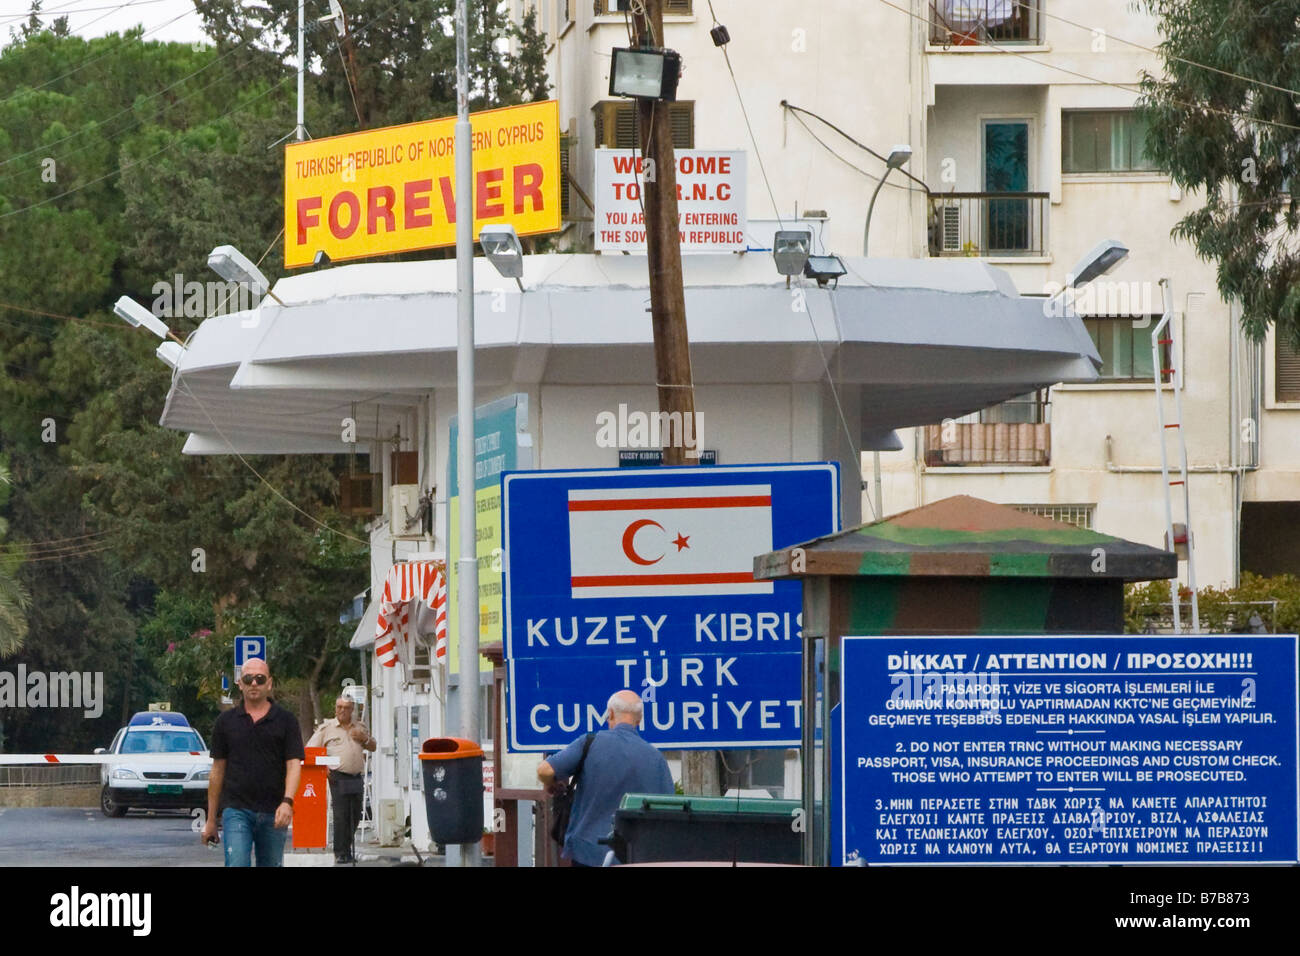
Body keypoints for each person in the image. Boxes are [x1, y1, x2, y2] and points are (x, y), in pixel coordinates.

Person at [537, 690, 673, 867]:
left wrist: (551, 785)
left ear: (610, 714)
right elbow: (668, 810)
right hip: (634, 856)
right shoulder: (656, 759)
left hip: (588, 853)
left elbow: (545, 770)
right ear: (638, 720)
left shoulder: (590, 743)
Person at [200, 657, 305, 867]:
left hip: (273, 811)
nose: (254, 683)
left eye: (260, 678)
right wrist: (211, 820)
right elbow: (217, 771)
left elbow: (293, 765)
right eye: (248, 679)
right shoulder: (225, 722)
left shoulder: (286, 720)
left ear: (269, 683)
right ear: (240, 683)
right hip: (236, 809)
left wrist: (287, 802)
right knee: (237, 862)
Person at [306, 695, 376, 864]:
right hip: (338, 775)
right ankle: (341, 852)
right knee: (341, 814)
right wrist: (324, 766)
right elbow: (310, 751)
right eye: (339, 707)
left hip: (356, 776)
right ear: (335, 708)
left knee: (355, 814)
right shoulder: (327, 728)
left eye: (346, 708)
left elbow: (373, 746)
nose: (342, 711)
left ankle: (348, 847)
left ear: (352, 710)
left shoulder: (359, 726)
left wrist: (364, 738)